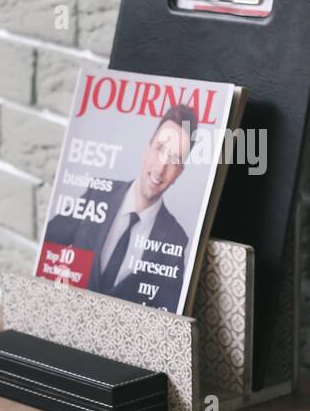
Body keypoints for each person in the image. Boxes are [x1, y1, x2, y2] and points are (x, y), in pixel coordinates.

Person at [43, 104, 196, 312]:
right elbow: (48, 246)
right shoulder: (98, 193)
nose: (161, 169)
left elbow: (167, 315)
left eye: (174, 160)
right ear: (147, 148)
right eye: (160, 149)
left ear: (180, 172)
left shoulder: (176, 239)